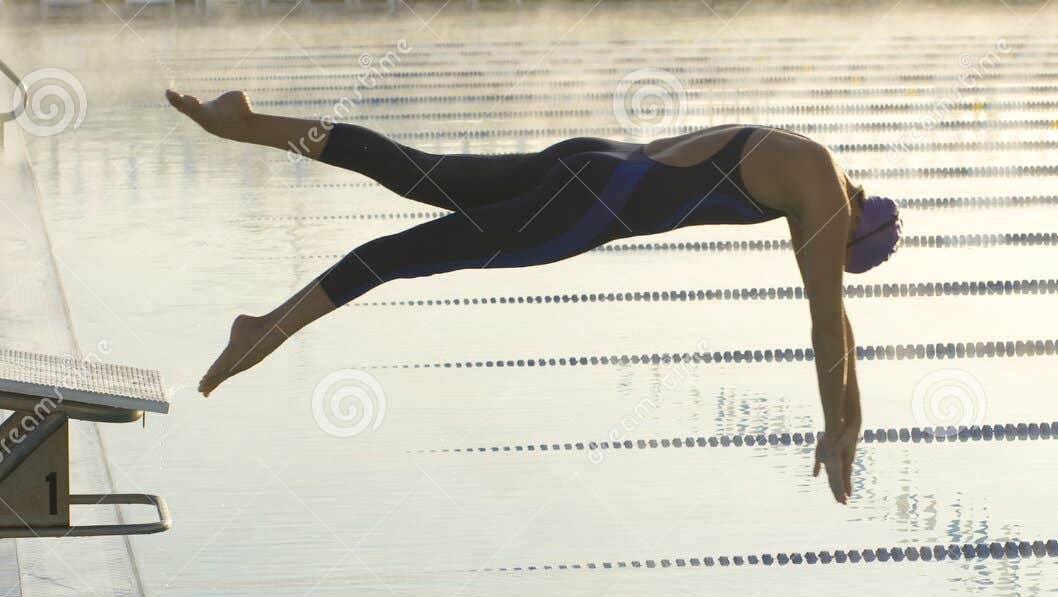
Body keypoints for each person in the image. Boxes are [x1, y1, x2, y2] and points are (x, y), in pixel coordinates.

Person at [165, 91, 901, 503]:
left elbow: (839, 323)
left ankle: (245, 123)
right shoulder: (820, 197)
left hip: (594, 160)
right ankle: (265, 329)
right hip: (593, 206)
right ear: (845, 241)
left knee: (417, 172)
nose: (820, 263)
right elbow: (823, 328)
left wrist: (851, 424)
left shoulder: (812, 163)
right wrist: (834, 427)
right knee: (407, 254)